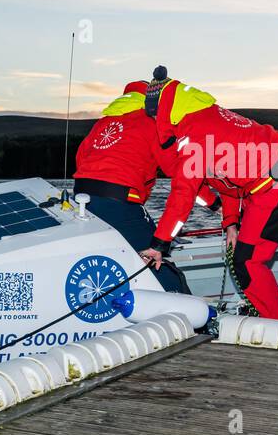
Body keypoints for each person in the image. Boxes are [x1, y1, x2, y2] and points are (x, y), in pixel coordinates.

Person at [138, 69, 278, 320]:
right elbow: (229, 185)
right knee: (246, 251)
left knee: (247, 262)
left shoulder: (195, 136)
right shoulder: (205, 117)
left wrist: (159, 244)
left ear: (162, 113)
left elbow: (182, 196)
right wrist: (230, 225)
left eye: (153, 117)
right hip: (273, 173)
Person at [73, 80, 217, 293]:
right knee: (158, 262)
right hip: (119, 201)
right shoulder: (152, 123)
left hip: (81, 200)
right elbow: (180, 172)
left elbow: (81, 158)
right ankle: (188, 316)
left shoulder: (103, 123)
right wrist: (214, 204)